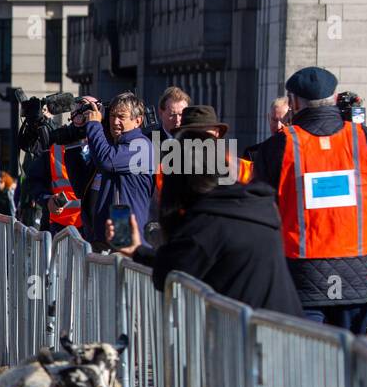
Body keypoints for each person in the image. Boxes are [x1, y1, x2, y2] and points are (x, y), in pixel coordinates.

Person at [107, 106, 301, 316]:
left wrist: (138, 250)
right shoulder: (258, 205)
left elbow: (170, 271)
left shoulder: (207, 223)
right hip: (287, 331)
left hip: (251, 338)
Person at [250, 66, 367, 332]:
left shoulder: (278, 146)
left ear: (294, 103)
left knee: (307, 362)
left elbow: (260, 211)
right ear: (335, 99)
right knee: (352, 363)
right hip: (356, 277)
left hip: (301, 276)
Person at [68, 92, 155, 252]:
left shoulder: (141, 146)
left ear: (138, 121)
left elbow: (106, 160)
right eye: (112, 116)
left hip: (125, 239)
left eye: (122, 117)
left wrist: (94, 125)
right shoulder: (114, 145)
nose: (115, 122)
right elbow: (81, 187)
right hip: (105, 237)